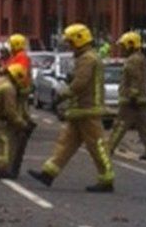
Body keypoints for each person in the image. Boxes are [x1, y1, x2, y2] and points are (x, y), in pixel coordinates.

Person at [29, 24, 115, 193]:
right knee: (65, 143)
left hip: (88, 109)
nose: (68, 45)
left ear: (79, 40)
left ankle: (107, 179)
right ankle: (48, 173)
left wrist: (62, 95)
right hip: (79, 110)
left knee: (96, 146)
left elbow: (80, 83)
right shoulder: (85, 57)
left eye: (70, 42)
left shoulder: (87, 59)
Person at [106, 31, 146, 159]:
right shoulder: (141, 58)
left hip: (131, 100)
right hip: (141, 100)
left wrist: (132, 95)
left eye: (124, 46)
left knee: (119, 125)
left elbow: (135, 78)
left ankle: (109, 149)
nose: (123, 49)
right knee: (144, 127)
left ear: (131, 45)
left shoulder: (132, 60)